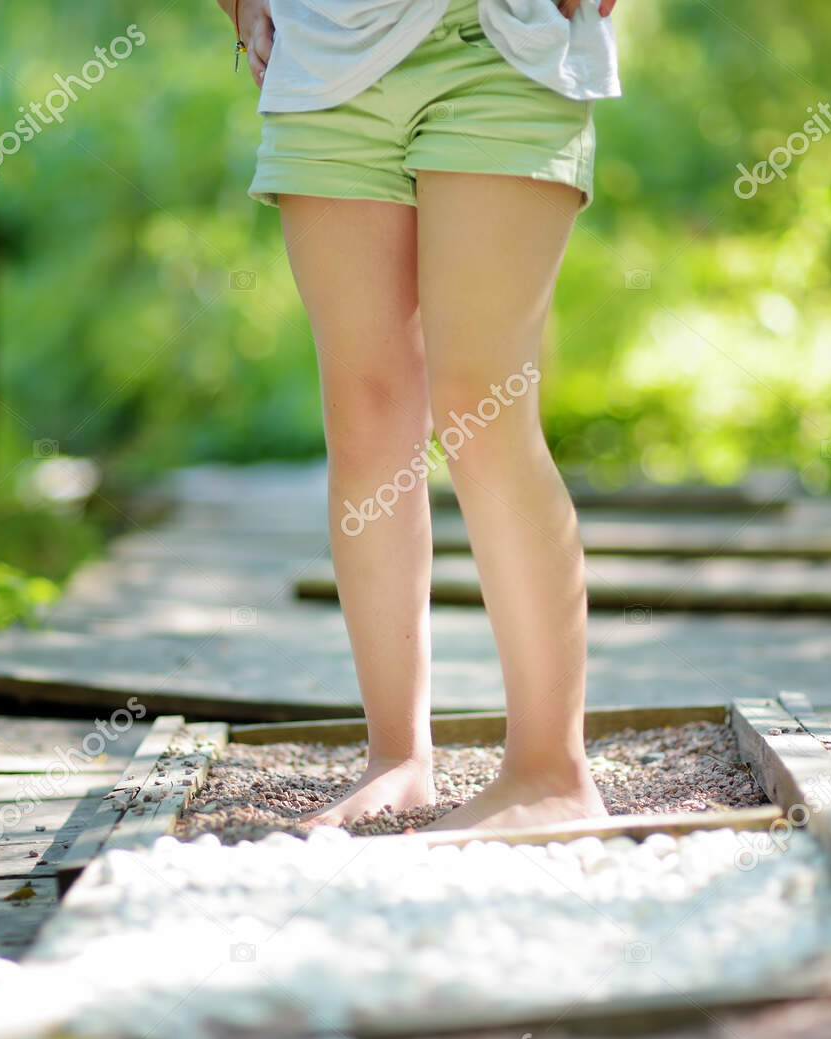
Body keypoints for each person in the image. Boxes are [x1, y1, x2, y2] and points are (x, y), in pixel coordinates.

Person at [220, 0, 621, 830]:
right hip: (323, 59)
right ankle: (397, 758)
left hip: (501, 43)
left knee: (483, 402)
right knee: (365, 417)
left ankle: (550, 772)